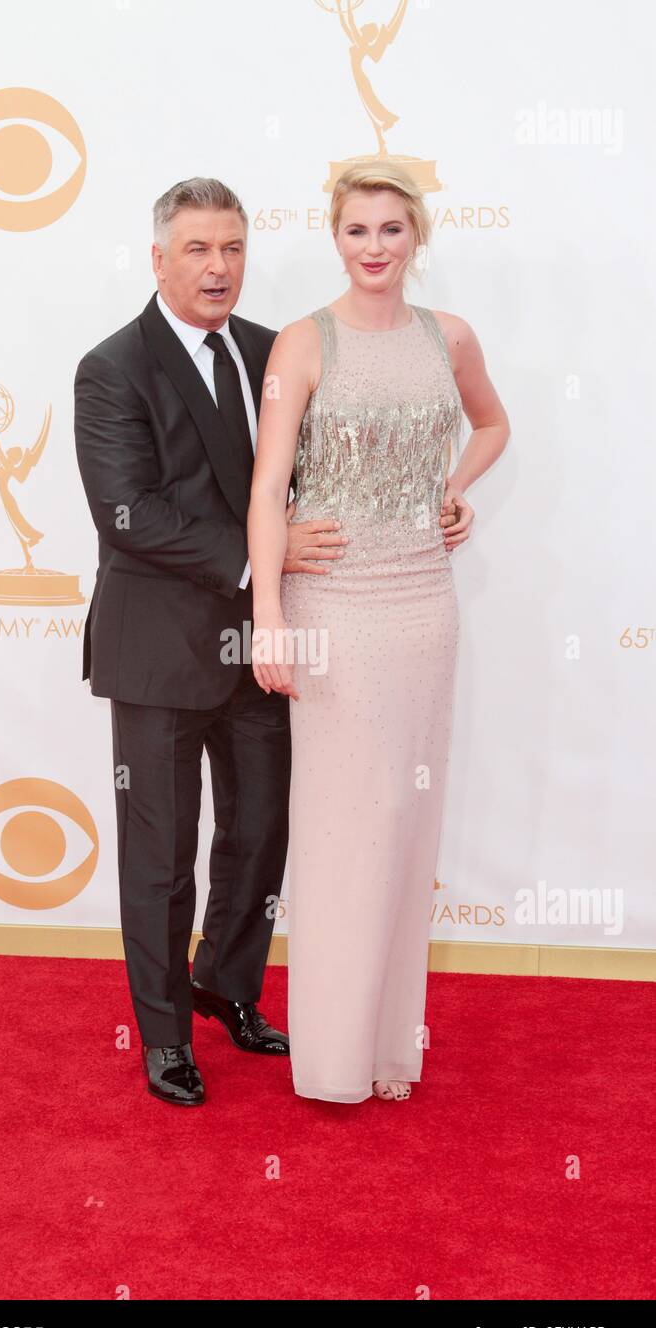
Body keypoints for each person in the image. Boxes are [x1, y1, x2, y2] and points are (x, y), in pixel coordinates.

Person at [73, 178, 349, 1107]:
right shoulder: (112, 368)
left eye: (232, 248)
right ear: (159, 259)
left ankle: (227, 987)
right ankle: (162, 1038)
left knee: (260, 832)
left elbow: (311, 476)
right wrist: (260, 555)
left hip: (259, 642)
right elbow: (128, 514)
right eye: (197, 249)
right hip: (157, 653)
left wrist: (422, 506)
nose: (219, 267)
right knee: (161, 860)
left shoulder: (271, 350)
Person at [248, 160, 510, 1104]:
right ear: (335, 237)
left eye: (391, 229)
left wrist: (454, 488)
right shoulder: (301, 343)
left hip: (424, 602)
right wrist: (268, 617)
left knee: (403, 818)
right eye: (357, 230)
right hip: (333, 607)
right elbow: (267, 488)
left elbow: (492, 424)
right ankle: (331, 1059)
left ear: (417, 236)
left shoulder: (451, 337)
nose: (374, 247)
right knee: (342, 825)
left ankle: (389, 1048)